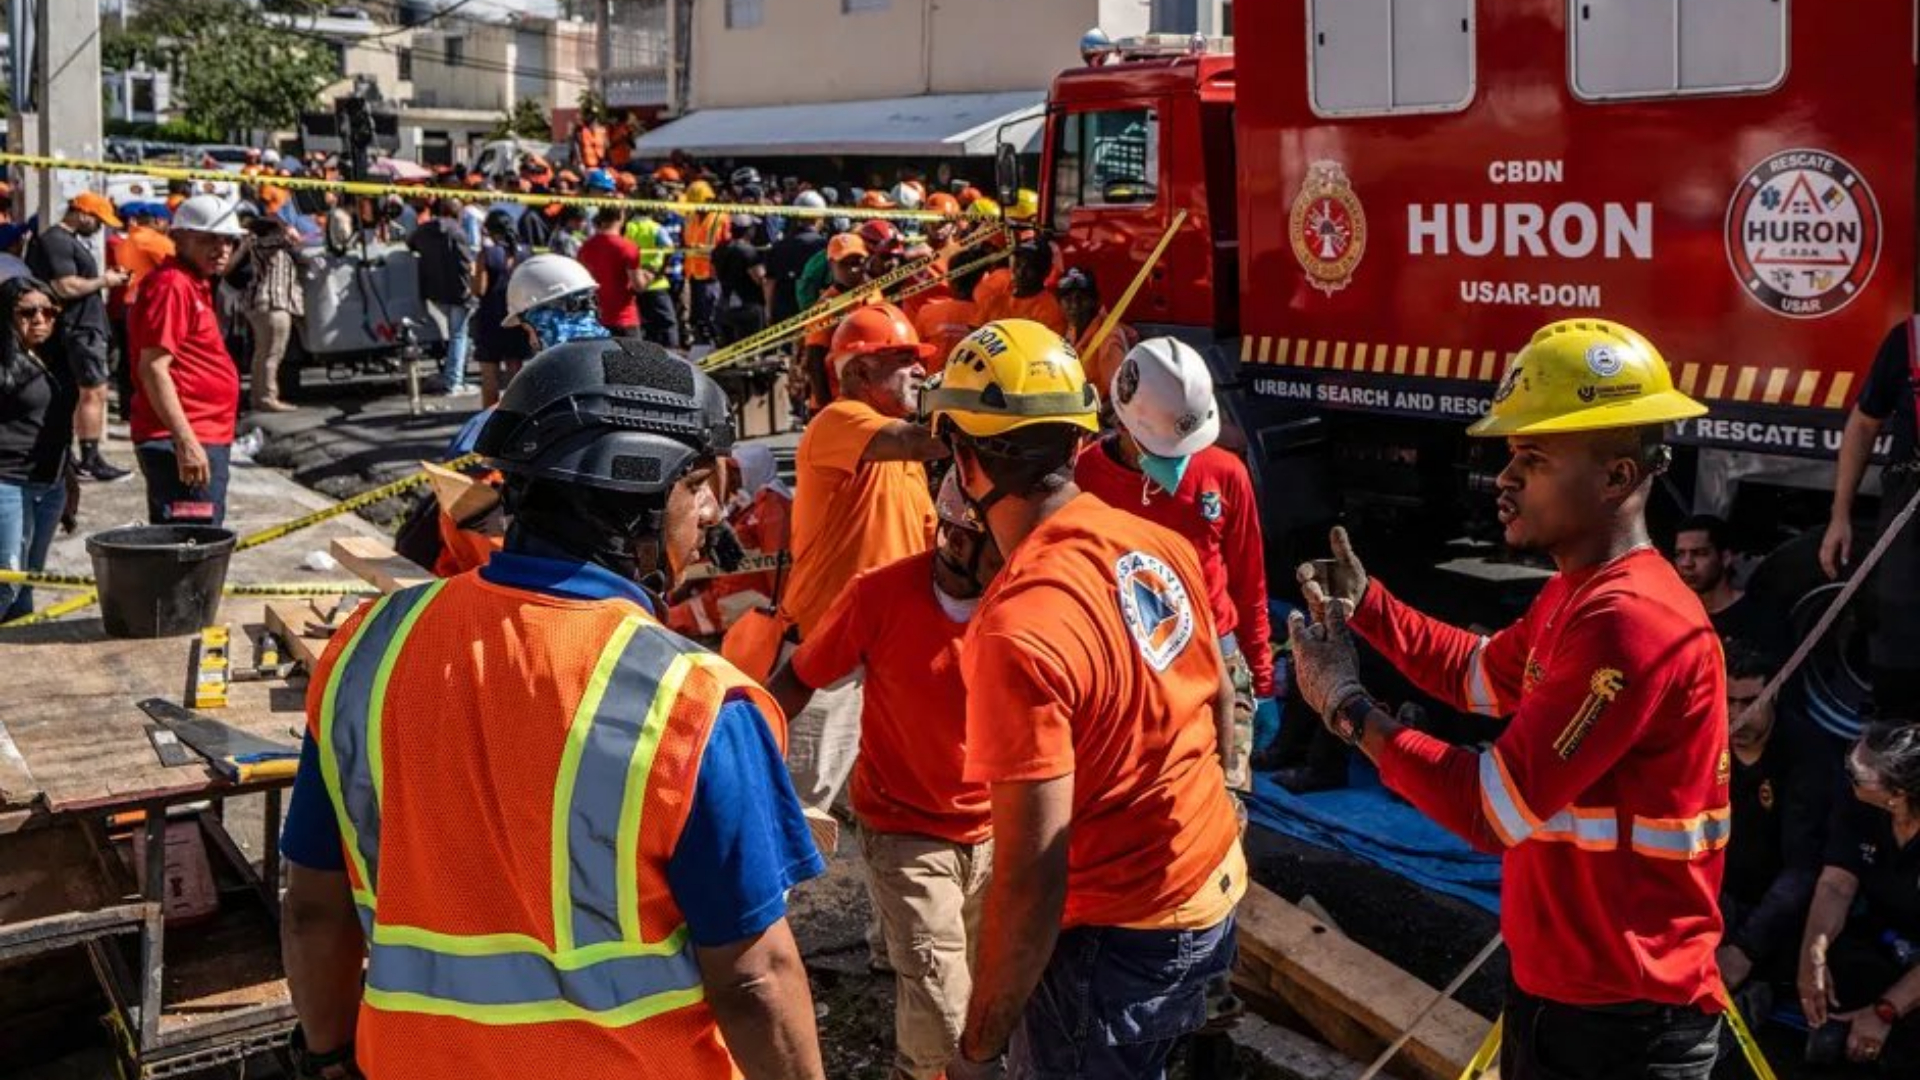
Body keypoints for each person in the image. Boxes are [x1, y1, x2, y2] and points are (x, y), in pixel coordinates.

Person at [279, 337, 827, 1080]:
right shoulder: (692, 703)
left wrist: (329, 1056)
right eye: (695, 484)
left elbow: (314, 906)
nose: (708, 511)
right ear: (636, 487)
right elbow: (755, 978)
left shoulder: (368, 648)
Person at [1286, 319, 1729, 1080]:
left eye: (1533, 457)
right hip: (1565, 1003)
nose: (1504, 477)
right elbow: (1479, 675)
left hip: (1622, 1030)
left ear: (1617, 478)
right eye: (1509, 455)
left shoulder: (1631, 622)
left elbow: (1492, 809)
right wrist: (1370, 607)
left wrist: (1349, 710)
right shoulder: (1576, 595)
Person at [923, 319, 1244, 1078]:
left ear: (967, 464)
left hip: (1117, 940)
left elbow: (1031, 877)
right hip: (1210, 889)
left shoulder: (1017, 628)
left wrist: (979, 1049)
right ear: (1076, 444)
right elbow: (1223, 694)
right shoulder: (1157, 543)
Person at [771, 470, 1000, 1080]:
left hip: (998, 827)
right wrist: (738, 746)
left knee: (986, 995)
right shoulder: (880, 595)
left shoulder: (1022, 595)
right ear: (955, 538)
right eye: (1000, 542)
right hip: (908, 829)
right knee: (943, 1009)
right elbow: (798, 679)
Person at [1074, 337, 1272, 794]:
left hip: (1217, 661)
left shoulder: (1225, 474)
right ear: (1125, 423)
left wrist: (1260, 677)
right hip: (1125, 668)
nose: (1180, 461)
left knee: (1225, 803)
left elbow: (1249, 579)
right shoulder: (1083, 479)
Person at [779, 303, 945, 830]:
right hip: (831, 656)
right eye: (902, 359)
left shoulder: (902, 460)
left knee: (880, 809)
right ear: (857, 372)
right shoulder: (841, 421)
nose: (920, 370)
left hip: (885, 655)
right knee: (795, 816)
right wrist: (991, 414)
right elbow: (921, 441)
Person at [1717, 638, 1838, 1010]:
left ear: (1775, 691)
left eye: (1751, 701)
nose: (1739, 714)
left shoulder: (1806, 752)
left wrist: (1746, 948)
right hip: (1718, 893)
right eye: (1729, 701)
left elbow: (1802, 867)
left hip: (1778, 904)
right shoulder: (1704, 741)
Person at [1796, 723, 1920, 1072]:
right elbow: (1837, 884)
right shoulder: (1860, 806)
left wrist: (1886, 1010)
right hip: (1885, 937)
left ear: (1896, 794)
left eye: (1858, 776)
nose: (1847, 775)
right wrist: (1812, 954)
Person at [1820, 319, 1920, 716]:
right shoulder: (1909, 340)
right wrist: (1839, 515)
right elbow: (1863, 423)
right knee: (1897, 624)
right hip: (1909, 505)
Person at [128, 196, 245, 527]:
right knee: (189, 546)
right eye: (209, 239)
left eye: (228, 241)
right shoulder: (173, 285)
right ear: (178, 238)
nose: (221, 249)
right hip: (183, 438)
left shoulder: (194, 281)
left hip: (200, 433)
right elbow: (153, 368)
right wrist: (186, 442)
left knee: (197, 540)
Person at [27, 192, 130, 482]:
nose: (99, 226)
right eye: (97, 219)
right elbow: (65, 287)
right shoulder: (56, 241)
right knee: (93, 390)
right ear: (83, 213)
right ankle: (89, 459)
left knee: (86, 392)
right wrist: (105, 281)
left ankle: (80, 456)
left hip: (83, 326)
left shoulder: (64, 241)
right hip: (79, 328)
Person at [0, 278, 73, 620]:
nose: (40, 319)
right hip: (8, 484)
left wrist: (69, 477)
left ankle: (13, 661)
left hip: (51, 485)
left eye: (49, 311)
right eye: (27, 312)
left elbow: (58, 423)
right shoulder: (5, 361)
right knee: (7, 583)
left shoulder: (55, 355)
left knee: (27, 582)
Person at [1673, 513, 1786, 655]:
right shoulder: (1675, 617)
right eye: (1680, 554)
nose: (1686, 563)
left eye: (1699, 553)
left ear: (1725, 558)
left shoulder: (1760, 615)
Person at [234, 215, 309, 413]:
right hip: (273, 303)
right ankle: (268, 396)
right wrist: (289, 233)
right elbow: (287, 241)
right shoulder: (266, 244)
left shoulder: (262, 246)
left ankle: (258, 397)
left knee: (262, 353)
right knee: (273, 353)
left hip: (261, 304)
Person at [407, 198, 475, 397]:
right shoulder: (458, 232)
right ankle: (454, 381)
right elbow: (464, 265)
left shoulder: (424, 230)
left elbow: (410, 244)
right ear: (457, 213)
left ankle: (453, 377)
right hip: (458, 291)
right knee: (459, 335)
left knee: (456, 335)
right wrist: (470, 291)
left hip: (434, 290)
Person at [470, 211, 534, 408]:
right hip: (516, 316)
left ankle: (489, 421)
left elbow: (479, 289)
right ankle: (517, 414)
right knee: (515, 371)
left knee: (490, 376)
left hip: (490, 318)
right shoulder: (526, 252)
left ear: (489, 230)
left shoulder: (486, 254)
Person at [1057, 266, 1136, 401]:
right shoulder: (1073, 327)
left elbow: (1121, 397)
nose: (1075, 306)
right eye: (1068, 300)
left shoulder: (1109, 340)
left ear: (1095, 301)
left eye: (1081, 299)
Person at [577, 205, 643, 339]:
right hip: (624, 318)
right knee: (633, 359)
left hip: (597, 318)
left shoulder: (586, 246)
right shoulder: (628, 247)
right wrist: (648, 276)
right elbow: (638, 285)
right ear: (620, 217)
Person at [911, 257, 985, 376]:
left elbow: (916, 356)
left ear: (951, 280)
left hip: (933, 388)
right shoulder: (989, 316)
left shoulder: (928, 312)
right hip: (973, 389)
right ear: (982, 279)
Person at [975, 240, 1066, 335]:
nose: (1020, 272)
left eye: (1030, 267)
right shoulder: (997, 297)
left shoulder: (1051, 312)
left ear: (1045, 271)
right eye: (1017, 264)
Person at [765, 193, 828, 326]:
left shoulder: (778, 246)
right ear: (820, 217)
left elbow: (770, 282)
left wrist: (769, 311)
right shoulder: (824, 246)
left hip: (783, 314)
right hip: (814, 312)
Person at [625, 198, 679, 348]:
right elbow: (670, 248)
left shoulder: (627, 227)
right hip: (655, 283)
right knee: (667, 322)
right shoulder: (656, 228)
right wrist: (661, 271)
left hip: (633, 283)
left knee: (643, 324)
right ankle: (672, 357)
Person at [682, 180, 729, 345]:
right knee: (697, 316)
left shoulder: (721, 218)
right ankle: (702, 343)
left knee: (712, 315)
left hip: (712, 274)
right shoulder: (691, 217)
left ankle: (716, 343)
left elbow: (727, 247)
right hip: (693, 274)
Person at [712, 214, 768, 348]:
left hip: (723, 303)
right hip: (747, 306)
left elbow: (713, 272)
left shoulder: (719, 249)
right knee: (750, 347)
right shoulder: (748, 251)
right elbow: (760, 278)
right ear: (748, 230)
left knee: (727, 346)